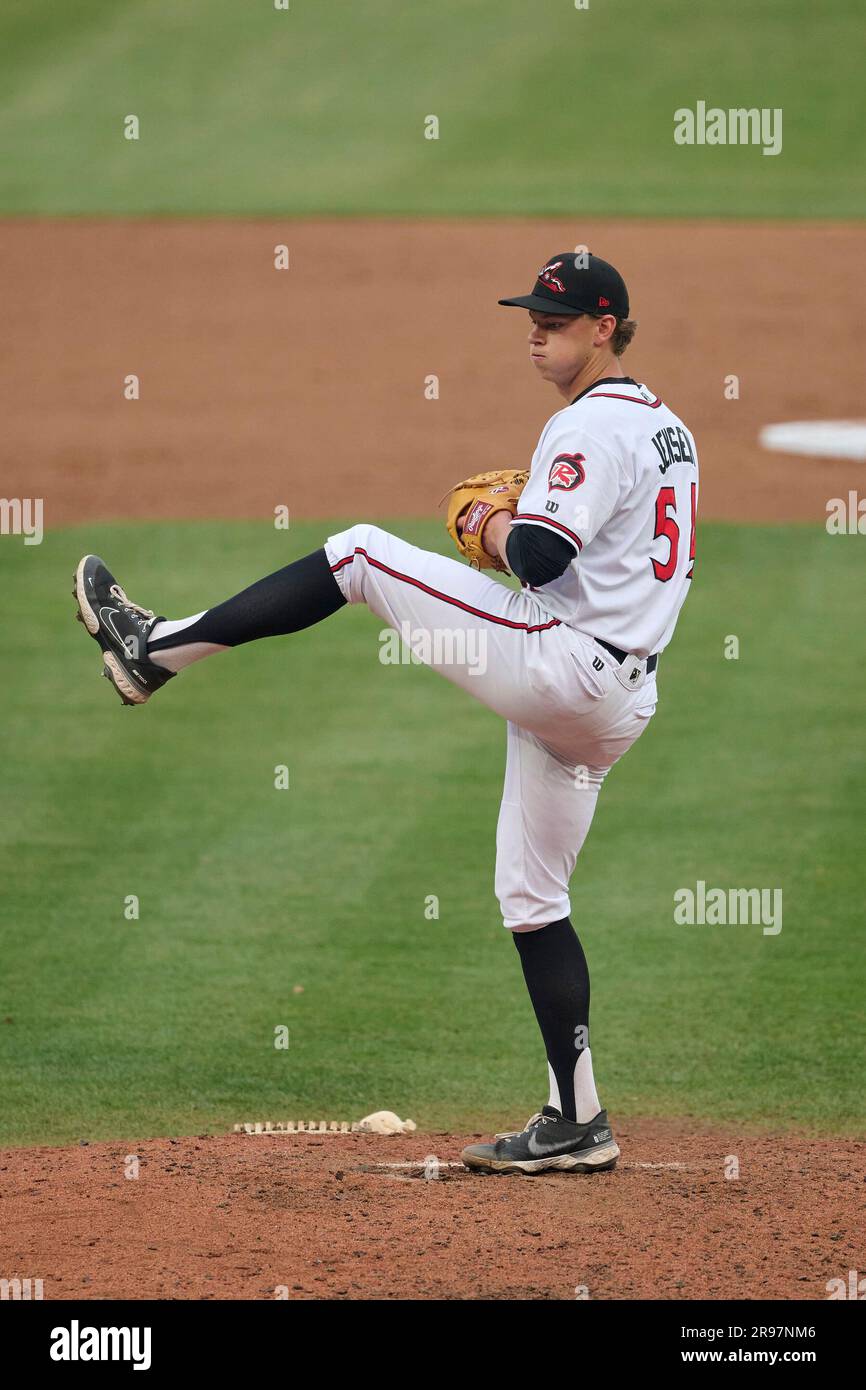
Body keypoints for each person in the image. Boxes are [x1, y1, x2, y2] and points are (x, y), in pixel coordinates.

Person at [73, 251, 698, 1175]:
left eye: (556, 320)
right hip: (621, 697)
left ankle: (153, 650)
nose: (535, 331)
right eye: (531, 316)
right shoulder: (669, 429)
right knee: (534, 899)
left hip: (564, 667)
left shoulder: (587, 428)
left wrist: (486, 525)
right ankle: (578, 1119)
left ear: (605, 328)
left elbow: (531, 555)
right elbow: (611, 557)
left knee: (361, 554)